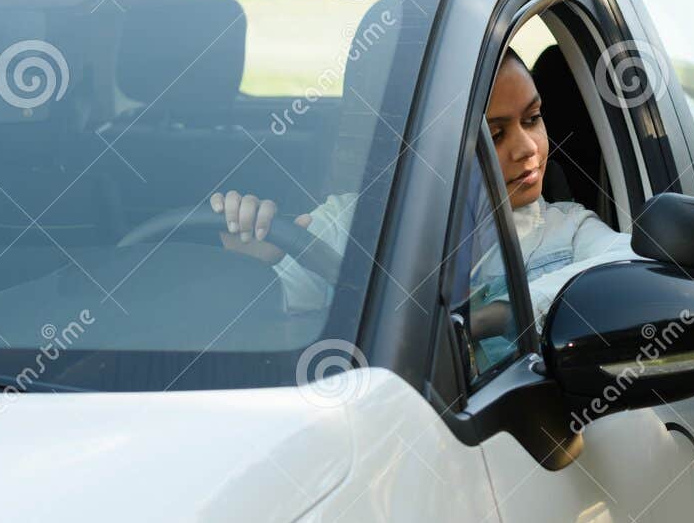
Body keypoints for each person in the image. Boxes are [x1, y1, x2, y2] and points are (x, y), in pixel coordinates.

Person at [213, 48, 630, 330]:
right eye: (494, 136)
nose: (527, 149)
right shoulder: (355, 221)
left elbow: (627, 267)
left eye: (532, 118)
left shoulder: (569, 230)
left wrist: (502, 315)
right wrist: (255, 262)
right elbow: (283, 301)